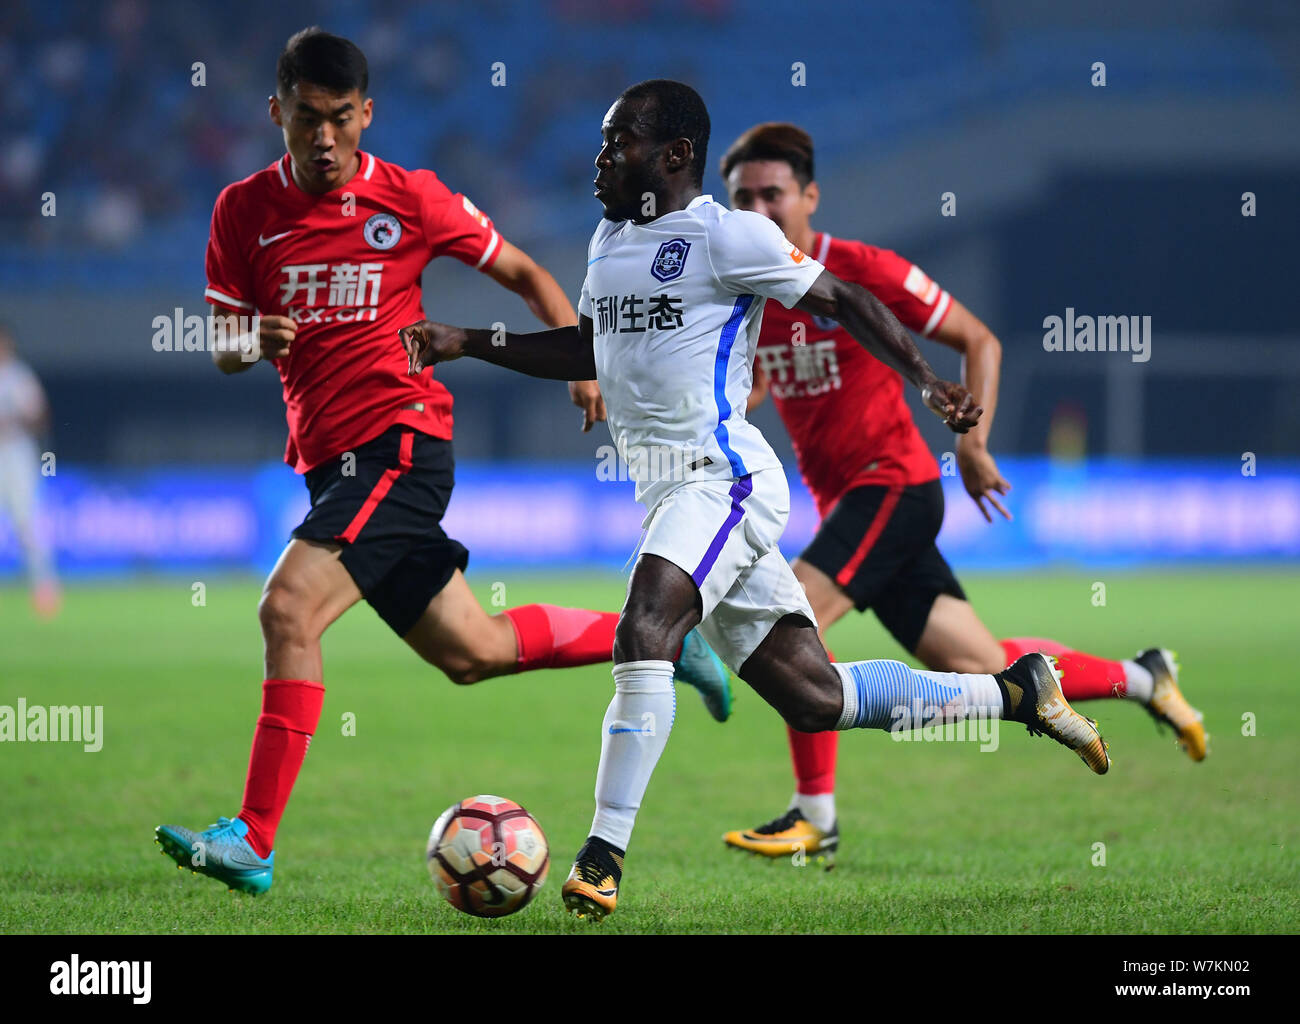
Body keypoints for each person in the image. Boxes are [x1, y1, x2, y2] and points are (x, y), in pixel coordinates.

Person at [399, 80, 1112, 921]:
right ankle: (1017, 693)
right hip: (666, 491)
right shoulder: (607, 240)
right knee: (816, 696)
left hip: (723, 476)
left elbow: (842, 297)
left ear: (671, 157)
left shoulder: (725, 236)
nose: (598, 161)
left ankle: (602, 855)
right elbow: (588, 345)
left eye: (615, 143)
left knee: (646, 627)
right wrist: (467, 342)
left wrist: (925, 380)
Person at [154, 33, 729, 896]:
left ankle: (253, 838)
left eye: (341, 119)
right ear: (277, 113)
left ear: (366, 115)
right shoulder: (242, 211)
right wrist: (248, 340)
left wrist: (586, 371)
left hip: (400, 443)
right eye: (306, 118)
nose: (324, 138)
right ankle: (654, 640)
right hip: (330, 464)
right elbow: (223, 343)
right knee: (474, 649)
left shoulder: (410, 198)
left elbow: (526, 273)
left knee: (287, 611)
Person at [714, 122, 1206, 865]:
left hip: (894, 487)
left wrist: (971, 445)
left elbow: (980, 341)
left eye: (772, 194)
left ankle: (815, 815)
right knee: (982, 667)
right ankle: (1147, 678)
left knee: (794, 625)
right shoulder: (749, 289)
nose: (756, 208)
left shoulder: (861, 270)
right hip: (855, 507)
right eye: (742, 197)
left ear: (810, 197)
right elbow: (759, 377)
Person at [0, 323, 59, 618]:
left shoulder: (19, 376)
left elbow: (40, 416)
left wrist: (16, 421)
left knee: (26, 523)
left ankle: (44, 588)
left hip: (15, 454)